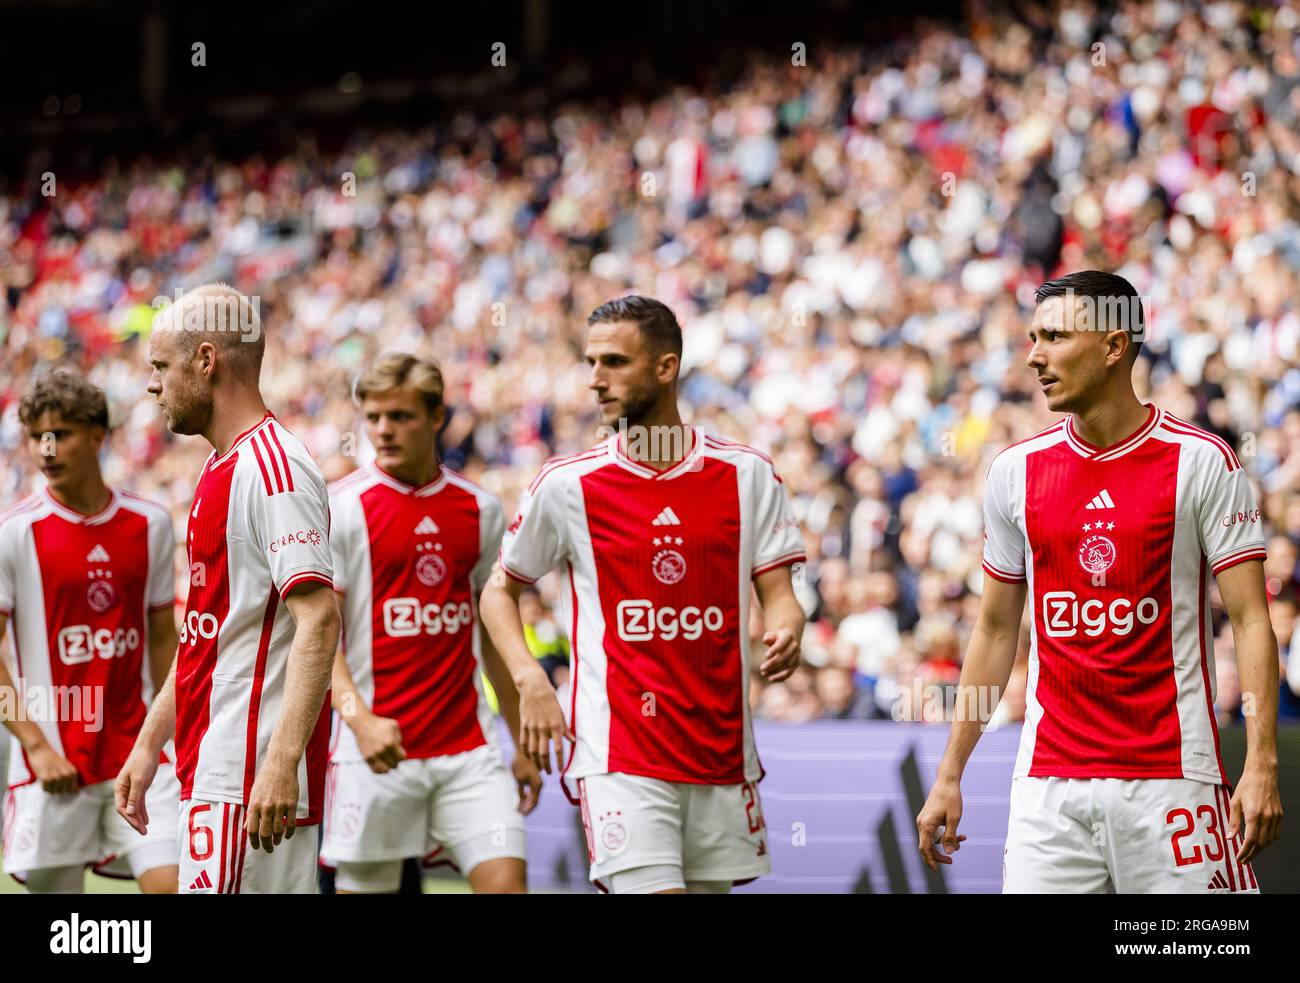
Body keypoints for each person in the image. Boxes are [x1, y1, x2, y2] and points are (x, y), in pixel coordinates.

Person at [917, 270, 1284, 893]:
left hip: (1172, 777)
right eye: (1033, 338)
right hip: (1048, 787)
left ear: (1115, 347)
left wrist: (1262, 762)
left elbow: (1252, 620)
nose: (1034, 356)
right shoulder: (1014, 472)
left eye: (1054, 337)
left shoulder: (1201, 462)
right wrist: (951, 770)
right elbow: (995, 630)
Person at [480, 295, 807, 894]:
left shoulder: (746, 474)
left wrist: (788, 625)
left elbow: (780, 594)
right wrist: (530, 681)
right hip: (617, 750)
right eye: (590, 362)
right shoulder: (567, 484)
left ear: (665, 367)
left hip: (720, 752)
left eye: (613, 363)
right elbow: (499, 590)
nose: (594, 381)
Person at [116, 283, 340, 894]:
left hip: (248, 779)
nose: (152, 384)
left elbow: (319, 618)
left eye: (161, 366)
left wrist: (280, 761)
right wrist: (148, 745)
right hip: (212, 768)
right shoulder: (222, 467)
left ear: (206, 360)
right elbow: (203, 637)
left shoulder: (275, 468)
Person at [319, 352, 540, 894]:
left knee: (508, 885)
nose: (383, 430)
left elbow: (492, 635)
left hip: (469, 750)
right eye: (372, 417)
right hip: (374, 750)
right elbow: (317, 638)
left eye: (400, 416)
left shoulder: (481, 510)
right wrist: (358, 718)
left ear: (437, 417)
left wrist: (520, 744)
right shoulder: (341, 508)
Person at [0, 370, 180, 894]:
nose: (46, 449)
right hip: (54, 766)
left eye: (62, 433)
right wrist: (35, 748)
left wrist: (167, 735)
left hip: (141, 755)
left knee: (172, 888)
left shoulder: (150, 524)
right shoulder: (14, 533)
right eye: (37, 436)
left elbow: (164, 643)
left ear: (99, 436)